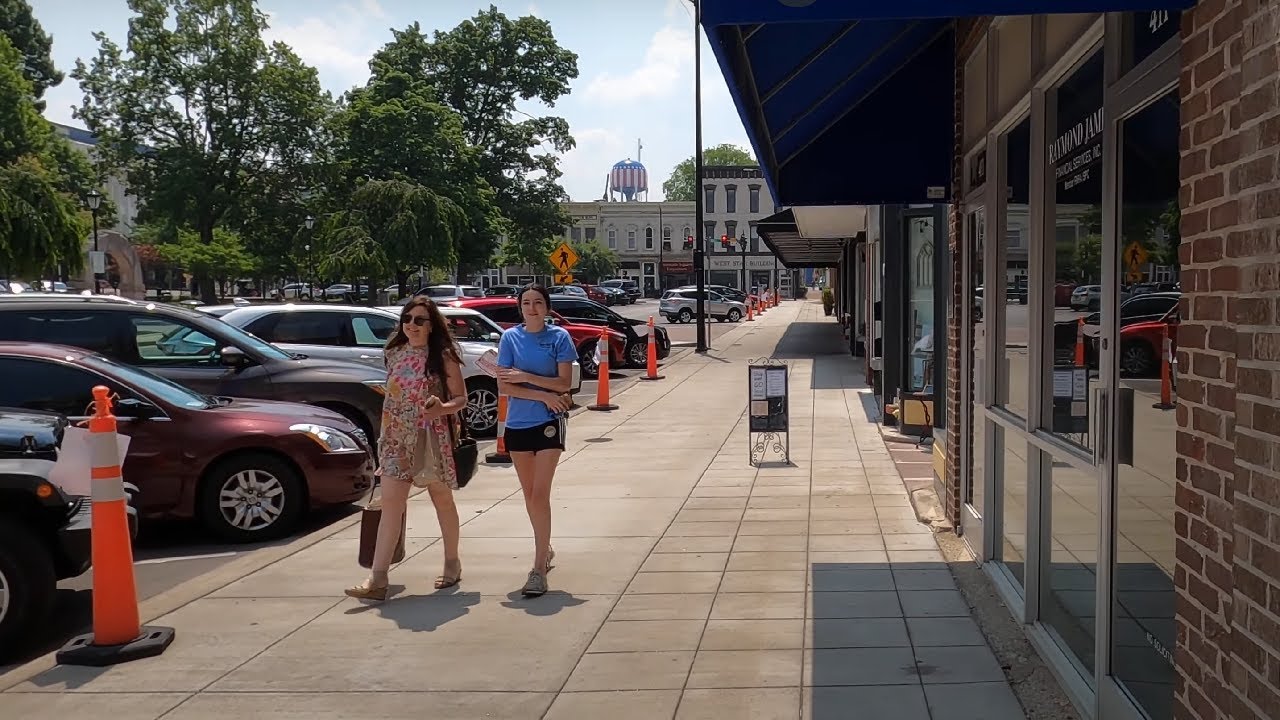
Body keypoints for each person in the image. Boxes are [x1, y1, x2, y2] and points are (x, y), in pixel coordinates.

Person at [346, 296, 468, 601]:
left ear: (431, 325)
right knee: (392, 504)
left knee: (442, 500)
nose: (412, 325)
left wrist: (442, 408)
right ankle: (378, 578)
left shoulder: (443, 356)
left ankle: (452, 561)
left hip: (431, 438)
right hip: (396, 438)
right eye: (407, 319)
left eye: (419, 320)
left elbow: (461, 399)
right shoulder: (394, 352)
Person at [496, 284, 577, 597]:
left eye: (538, 302)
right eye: (526, 303)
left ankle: (538, 568)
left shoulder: (559, 337)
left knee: (540, 494)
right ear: (520, 307)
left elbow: (564, 383)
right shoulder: (509, 338)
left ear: (547, 307)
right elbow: (505, 386)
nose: (532, 308)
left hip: (548, 424)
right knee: (530, 496)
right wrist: (542, 394)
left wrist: (527, 378)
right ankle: (546, 547)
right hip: (518, 424)